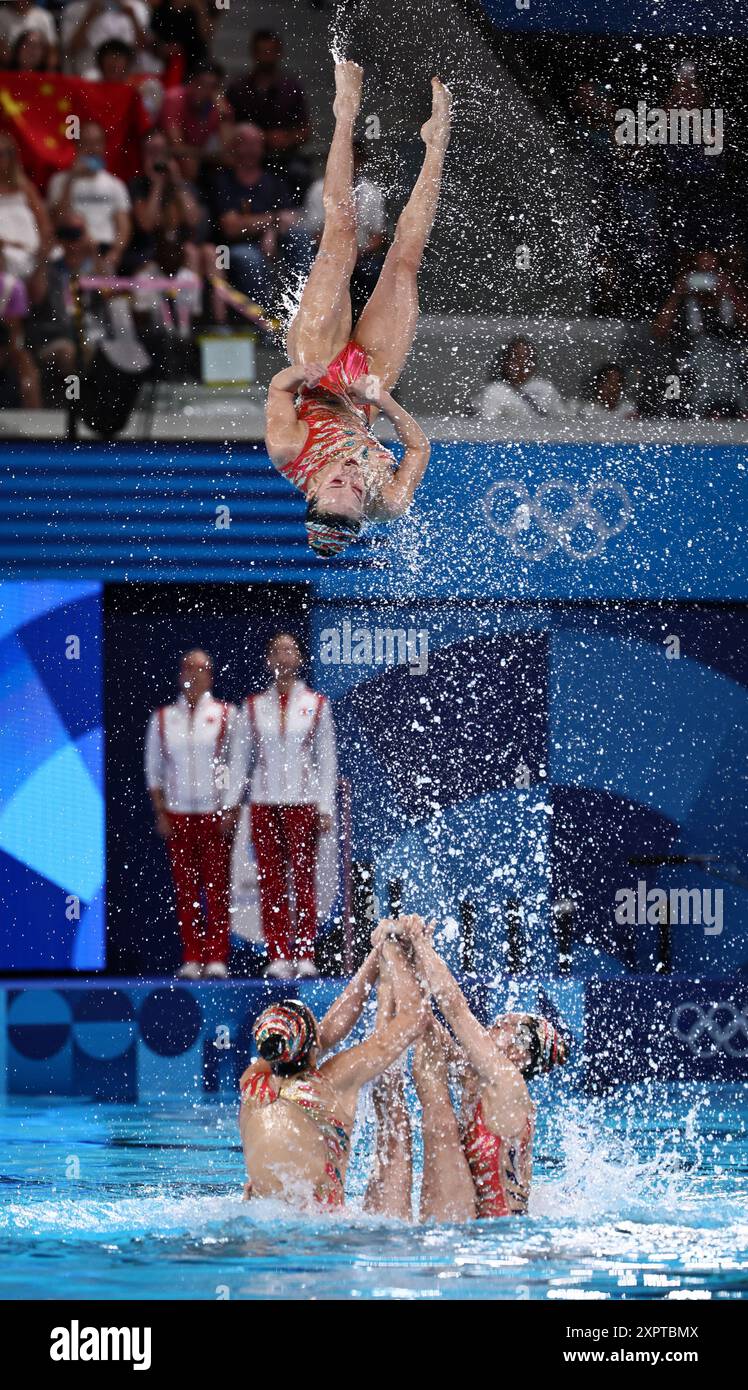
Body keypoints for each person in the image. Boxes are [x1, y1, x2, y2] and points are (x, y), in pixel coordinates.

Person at [265, 61, 451, 558]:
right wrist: (382, 401)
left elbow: (277, 388)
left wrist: (305, 370)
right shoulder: (387, 501)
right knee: (404, 265)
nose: (351, 483)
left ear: (313, 496)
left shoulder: (287, 451)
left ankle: (345, 112)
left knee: (340, 238)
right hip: (364, 390)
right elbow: (419, 449)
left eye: (337, 489)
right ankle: (435, 143)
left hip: (318, 367)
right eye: (357, 496)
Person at [366, 915, 569, 1223]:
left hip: (499, 1234)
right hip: (484, 1226)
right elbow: (425, 1026)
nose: (497, 1023)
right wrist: (404, 959)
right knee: (431, 1077)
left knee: (437, 1109)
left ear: (520, 1055)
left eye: (508, 1025)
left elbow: (455, 1008)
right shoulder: (480, 1078)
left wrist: (421, 942)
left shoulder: (506, 1081)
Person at [239, 931, 428, 1210]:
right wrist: (394, 952)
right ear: (312, 1043)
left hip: (260, 1230)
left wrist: (374, 959)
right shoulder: (330, 1083)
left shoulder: (252, 1082)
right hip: (320, 1233)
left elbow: (321, 1036)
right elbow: (414, 1020)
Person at [231, 633, 338, 981]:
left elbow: (326, 760)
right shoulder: (253, 707)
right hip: (264, 802)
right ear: (268, 659)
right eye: (276, 650)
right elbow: (239, 759)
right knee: (271, 882)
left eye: (289, 649)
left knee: (304, 881)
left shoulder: (316, 704)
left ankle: (305, 951)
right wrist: (233, 804)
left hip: (302, 802)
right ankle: (277, 953)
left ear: (299, 658)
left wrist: (325, 806)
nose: (283, 655)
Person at [144, 649, 241, 980]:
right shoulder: (163, 719)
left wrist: (229, 807)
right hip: (179, 813)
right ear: (179, 673)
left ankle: (216, 957)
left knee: (216, 888)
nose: (194, 674)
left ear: (210, 675)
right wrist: (161, 811)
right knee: (186, 889)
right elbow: (154, 769)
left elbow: (235, 764)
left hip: (213, 812)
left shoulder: (226, 714)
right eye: (188, 667)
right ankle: (191, 955)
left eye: (200, 669)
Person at [209, 122, 313, 312]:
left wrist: (270, 230)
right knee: (250, 258)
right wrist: (271, 221)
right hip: (229, 249)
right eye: (246, 144)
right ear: (234, 147)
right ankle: (264, 324)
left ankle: (302, 307)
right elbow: (231, 227)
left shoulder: (273, 180)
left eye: (256, 144)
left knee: (300, 236)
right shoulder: (224, 181)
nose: (251, 150)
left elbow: (291, 217)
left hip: (272, 243)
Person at [303, 139, 386, 318]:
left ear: (361, 161)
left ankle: (369, 324)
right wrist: (338, 255)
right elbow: (315, 234)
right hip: (328, 256)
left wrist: (357, 254)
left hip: (363, 256)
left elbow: (378, 236)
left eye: (354, 159)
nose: (349, 164)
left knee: (373, 273)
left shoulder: (371, 192)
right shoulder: (318, 190)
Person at [226, 29, 310, 200]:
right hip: (245, 156)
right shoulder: (238, 88)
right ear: (253, 53)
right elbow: (227, 126)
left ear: (279, 53)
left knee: (300, 173)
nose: (266, 56)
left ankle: (294, 220)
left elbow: (305, 129)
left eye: (270, 51)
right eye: (262, 51)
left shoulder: (291, 88)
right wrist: (260, 139)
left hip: (284, 156)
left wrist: (287, 139)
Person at [47, 122, 132, 275]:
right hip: (70, 250)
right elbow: (56, 219)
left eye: (96, 143)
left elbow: (124, 226)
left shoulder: (115, 185)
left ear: (104, 147)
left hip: (103, 250)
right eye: (87, 143)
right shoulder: (60, 181)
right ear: (78, 146)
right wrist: (71, 179)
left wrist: (116, 252)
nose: (92, 149)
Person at [473, 336, 573, 423]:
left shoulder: (545, 388)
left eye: (528, 358)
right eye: (517, 358)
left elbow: (561, 421)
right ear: (505, 362)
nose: (522, 364)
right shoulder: (495, 391)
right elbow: (489, 427)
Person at [0, 130, 51, 291]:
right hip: (4, 255)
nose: (2, 159)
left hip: (31, 254)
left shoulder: (26, 188)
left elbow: (44, 226)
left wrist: (41, 261)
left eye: (6, 153)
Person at [61, 0, 161, 80]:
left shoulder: (139, 8)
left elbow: (145, 48)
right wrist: (89, 16)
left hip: (128, 77)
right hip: (90, 76)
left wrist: (133, 17)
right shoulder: (74, 9)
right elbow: (71, 49)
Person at [0, 1, 58, 68]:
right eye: (26, 46)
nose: (30, 51)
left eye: (34, 47)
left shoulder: (44, 17)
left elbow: (52, 54)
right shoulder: (2, 15)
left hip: (39, 71)